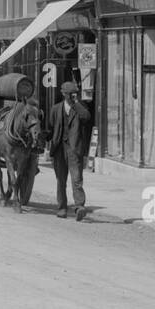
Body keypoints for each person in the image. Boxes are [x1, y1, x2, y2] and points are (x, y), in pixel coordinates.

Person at [46, 81, 92, 221]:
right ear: (63, 94)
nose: (72, 96)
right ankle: (62, 208)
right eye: (69, 94)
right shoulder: (55, 109)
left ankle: (79, 207)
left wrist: (76, 103)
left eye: (74, 93)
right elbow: (50, 128)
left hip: (74, 150)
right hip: (59, 149)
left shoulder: (79, 108)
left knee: (76, 179)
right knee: (61, 181)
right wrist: (46, 143)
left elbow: (87, 117)